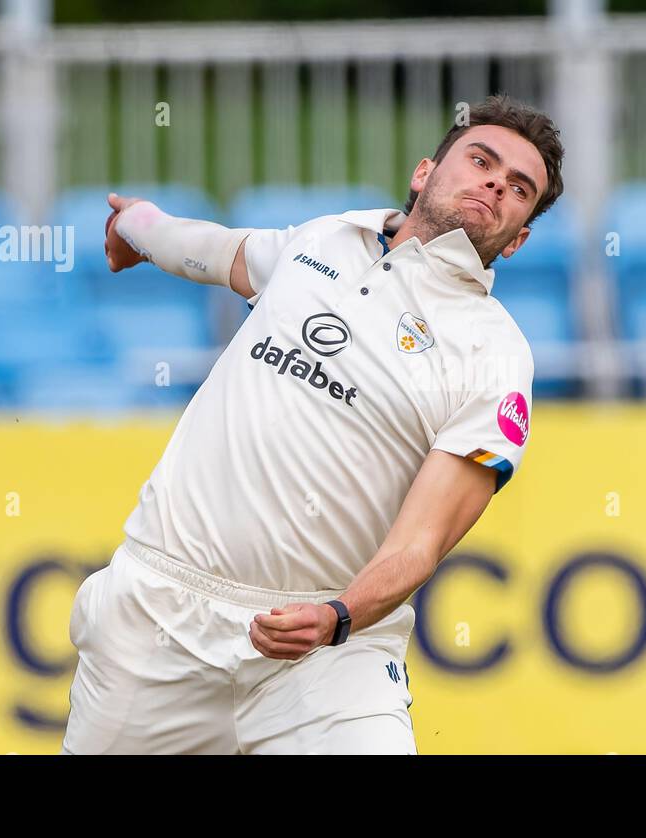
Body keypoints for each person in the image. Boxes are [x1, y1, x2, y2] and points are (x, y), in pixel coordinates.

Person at [61, 94, 564, 754]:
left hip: (329, 653)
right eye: (481, 159)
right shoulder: (324, 240)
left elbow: (424, 541)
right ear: (424, 172)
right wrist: (140, 226)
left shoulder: (495, 354)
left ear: (519, 236)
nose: (496, 182)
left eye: (519, 188)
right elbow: (215, 249)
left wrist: (338, 616)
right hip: (159, 615)